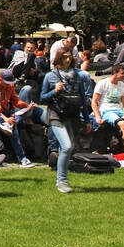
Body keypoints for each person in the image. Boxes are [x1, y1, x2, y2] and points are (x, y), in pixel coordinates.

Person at [43, 51, 88, 193]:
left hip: (72, 115)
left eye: (70, 57)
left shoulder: (77, 76)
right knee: (67, 146)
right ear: (58, 58)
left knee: (67, 149)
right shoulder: (50, 76)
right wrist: (54, 91)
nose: (68, 60)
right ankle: (61, 181)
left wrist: (86, 120)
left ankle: (63, 179)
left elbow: (83, 98)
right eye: (64, 57)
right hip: (56, 115)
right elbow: (42, 97)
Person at [0, 68, 38, 168]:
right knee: (0, 121)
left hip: (6, 114)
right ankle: (22, 158)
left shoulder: (9, 86)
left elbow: (15, 101)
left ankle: (23, 159)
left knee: (14, 125)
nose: (9, 85)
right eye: (7, 83)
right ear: (0, 79)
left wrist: (27, 106)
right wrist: (6, 119)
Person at [91, 63, 124, 149]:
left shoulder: (122, 85)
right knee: (123, 125)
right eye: (122, 73)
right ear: (115, 73)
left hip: (119, 110)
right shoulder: (102, 83)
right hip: (106, 110)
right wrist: (97, 117)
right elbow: (94, 102)